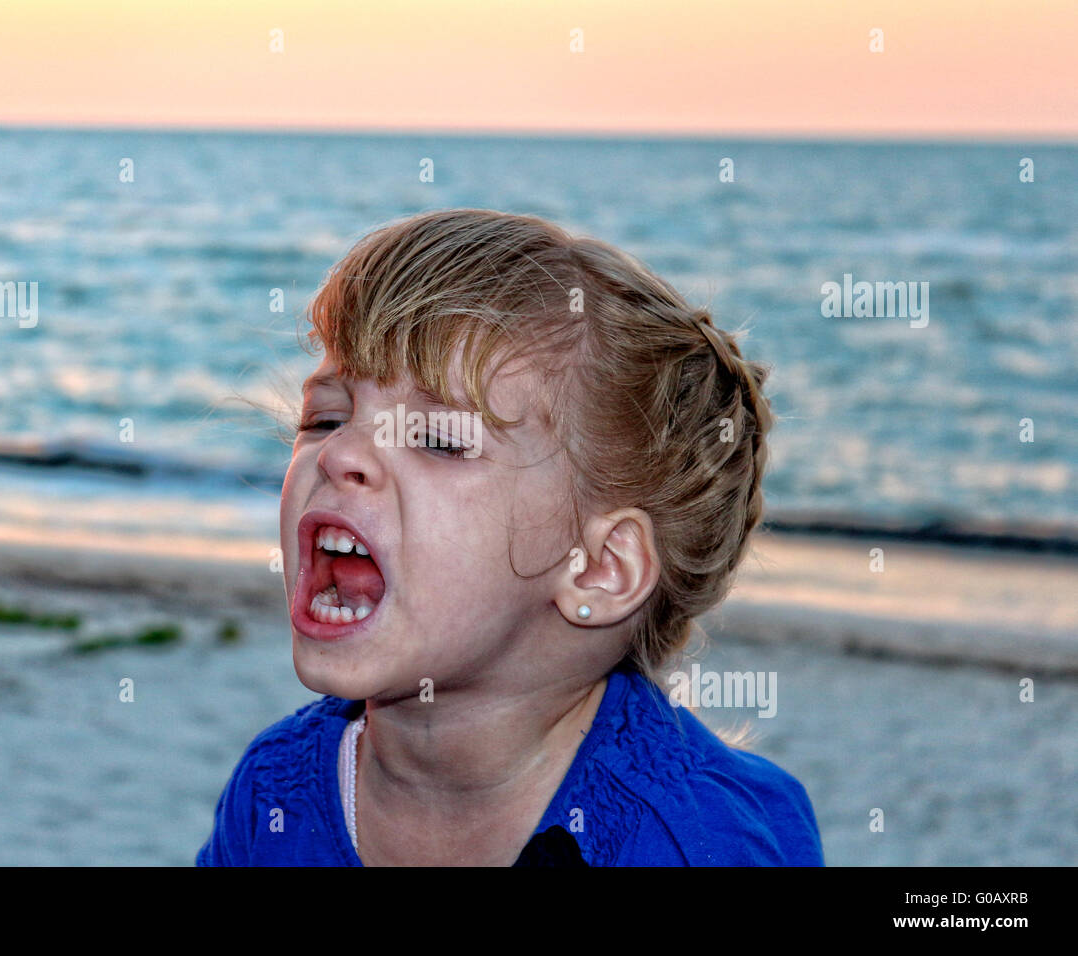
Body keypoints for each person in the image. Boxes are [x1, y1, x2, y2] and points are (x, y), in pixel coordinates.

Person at [197, 208, 824, 866]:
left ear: (598, 569)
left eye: (437, 440)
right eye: (327, 417)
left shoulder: (695, 842)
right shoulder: (274, 795)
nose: (343, 452)